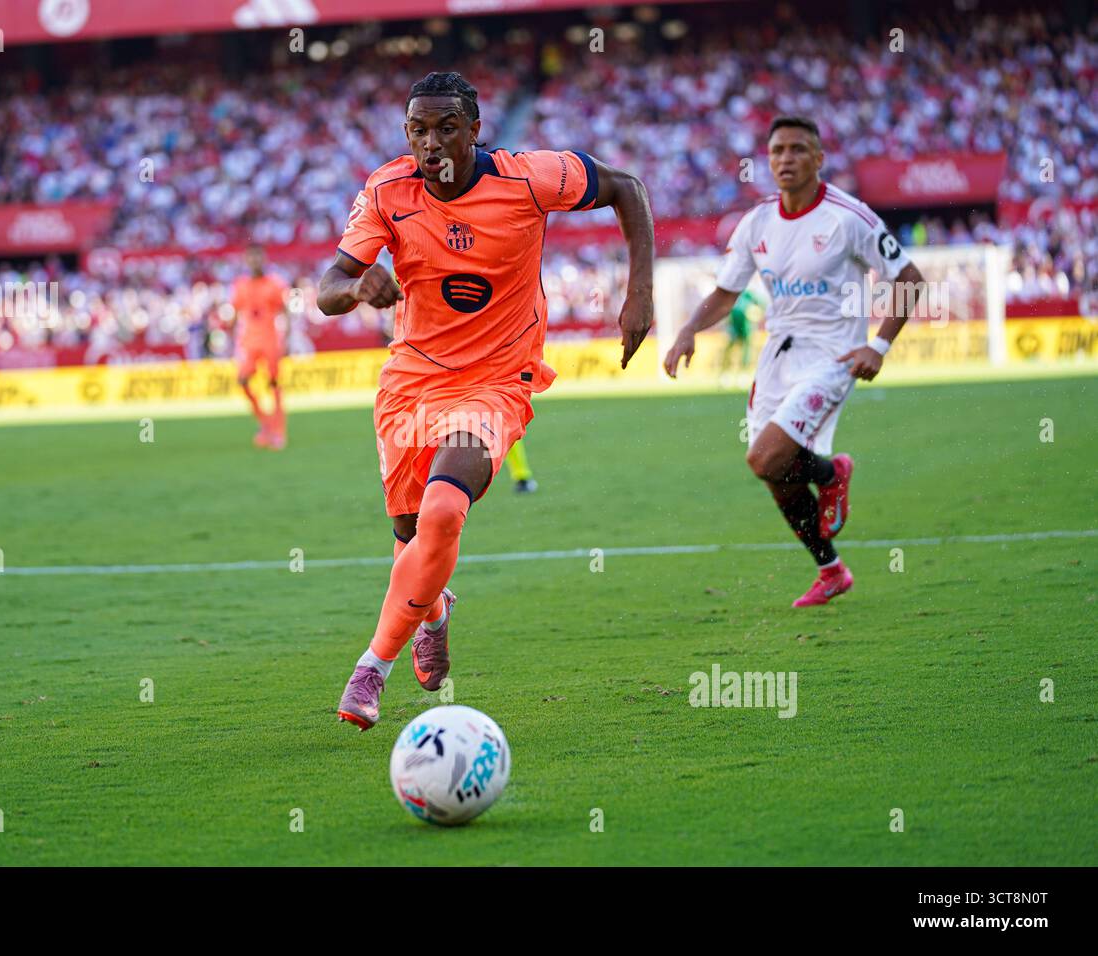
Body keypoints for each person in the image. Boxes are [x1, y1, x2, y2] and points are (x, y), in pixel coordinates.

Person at [317, 71, 654, 729]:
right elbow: (329, 284)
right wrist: (357, 289)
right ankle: (433, 610)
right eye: (418, 129)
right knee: (410, 539)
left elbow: (627, 189)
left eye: (447, 127)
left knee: (445, 509)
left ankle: (370, 670)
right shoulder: (387, 192)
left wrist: (639, 292)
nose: (432, 142)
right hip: (411, 384)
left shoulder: (530, 178)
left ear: (475, 129)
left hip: (497, 380)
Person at [665, 117, 925, 607]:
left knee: (765, 455)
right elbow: (726, 292)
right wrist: (687, 330)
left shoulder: (851, 218)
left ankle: (830, 474)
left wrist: (881, 345)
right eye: (778, 150)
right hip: (778, 357)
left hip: (833, 357)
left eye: (798, 149)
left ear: (818, 159)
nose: (786, 159)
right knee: (774, 472)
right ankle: (831, 570)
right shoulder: (757, 222)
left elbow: (910, 278)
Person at [230, 244, 288, 449]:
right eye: (251, 258)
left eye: (258, 257)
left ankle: (278, 431)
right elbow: (236, 314)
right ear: (246, 260)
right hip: (249, 341)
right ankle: (266, 424)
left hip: (270, 339)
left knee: (273, 384)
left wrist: (286, 338)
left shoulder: (275, 283)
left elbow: (285, 311)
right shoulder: (240, 285)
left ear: (264, 259)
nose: (255, 261)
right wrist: (233, 339)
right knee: (243, 381)